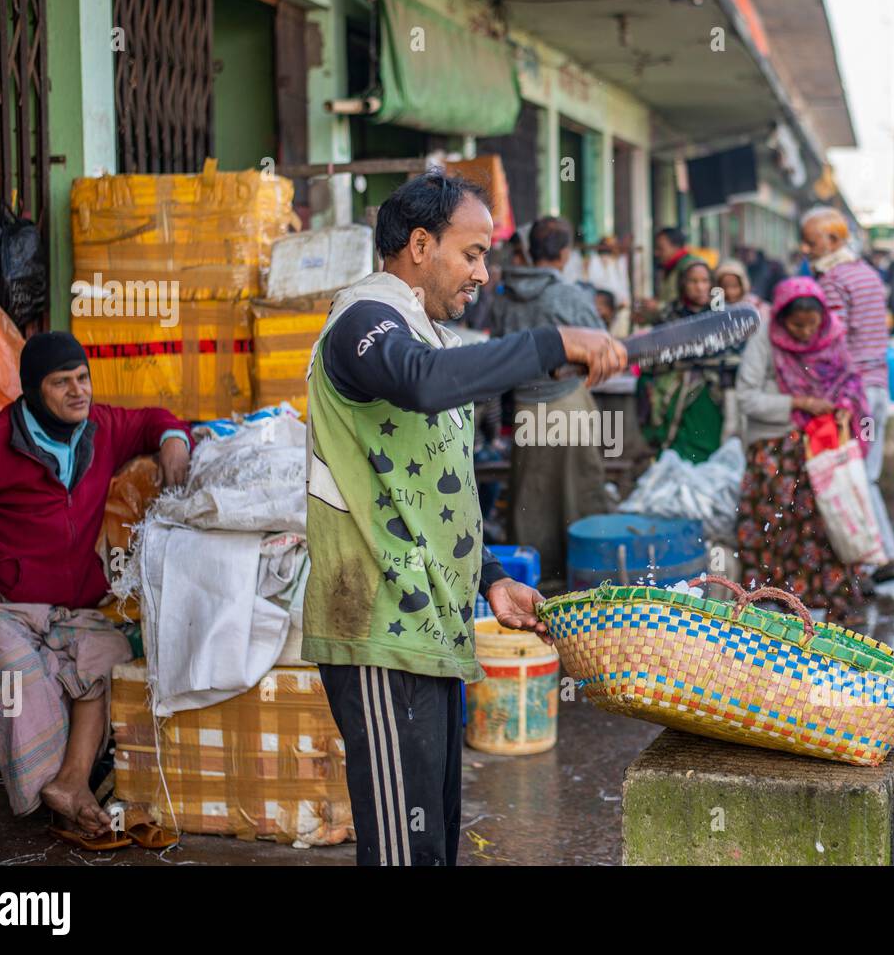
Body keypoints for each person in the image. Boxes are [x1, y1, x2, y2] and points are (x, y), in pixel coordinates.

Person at [302, 170, 626, 866]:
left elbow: (430, 487)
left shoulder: (429, 336)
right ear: (420, 245)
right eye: (472, 253)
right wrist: (550, 340)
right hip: (378, 628)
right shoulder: (363, 319)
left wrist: (489, 577)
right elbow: (420, 382)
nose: (482, 274)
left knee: (433, 841)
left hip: (430, 625)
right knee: (403, 852)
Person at [0, 332, 193, 845]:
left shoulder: (100, 428)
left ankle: (70, 783)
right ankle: (57, 793)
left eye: (83, 378)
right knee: (19, 665)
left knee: (112, 653)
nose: (78, 391)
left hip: (63, 609)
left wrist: (174, 440)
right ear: (32, 391)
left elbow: (153, 420)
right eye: (61, 382)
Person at [736, 277, 869, 625]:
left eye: (812, 325)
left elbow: (850, 382)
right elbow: (747, 397)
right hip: (774, 451)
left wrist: (844, 407)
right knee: (774, 528)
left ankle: (836, 606)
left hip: (820, 450)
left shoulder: (833, 337)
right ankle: (772, 611)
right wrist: (799, 402)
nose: (806, 333)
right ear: (782, 318)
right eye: (797, 326)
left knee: (827, 527)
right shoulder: (764, 339)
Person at [489, 215, 612, 586]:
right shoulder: (568, 295)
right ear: (564, 253)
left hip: (526, 406)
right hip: (568, 402)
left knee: (532, 496)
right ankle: (585, 576)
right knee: (579, 490)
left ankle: (535, 582)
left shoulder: (504, 296)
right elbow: (602, 346)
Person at [800, 206, 894, 582]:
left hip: (854, 394)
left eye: (811, 242)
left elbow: (832, 340)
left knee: (853, 476)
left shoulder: (833, 280)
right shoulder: (868, 274)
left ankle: (876, 559)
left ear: (832, 241)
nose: (805, 249)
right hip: (877, 389)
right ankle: (882, 556)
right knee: (865, 474)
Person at [640, 258, 727, 463]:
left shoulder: (721, 316)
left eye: (704, 281)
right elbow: (655, 355)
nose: (700, 287)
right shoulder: (668, 315)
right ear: (682, 284)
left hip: (710, 391)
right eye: (693, 281)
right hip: (672, 386)